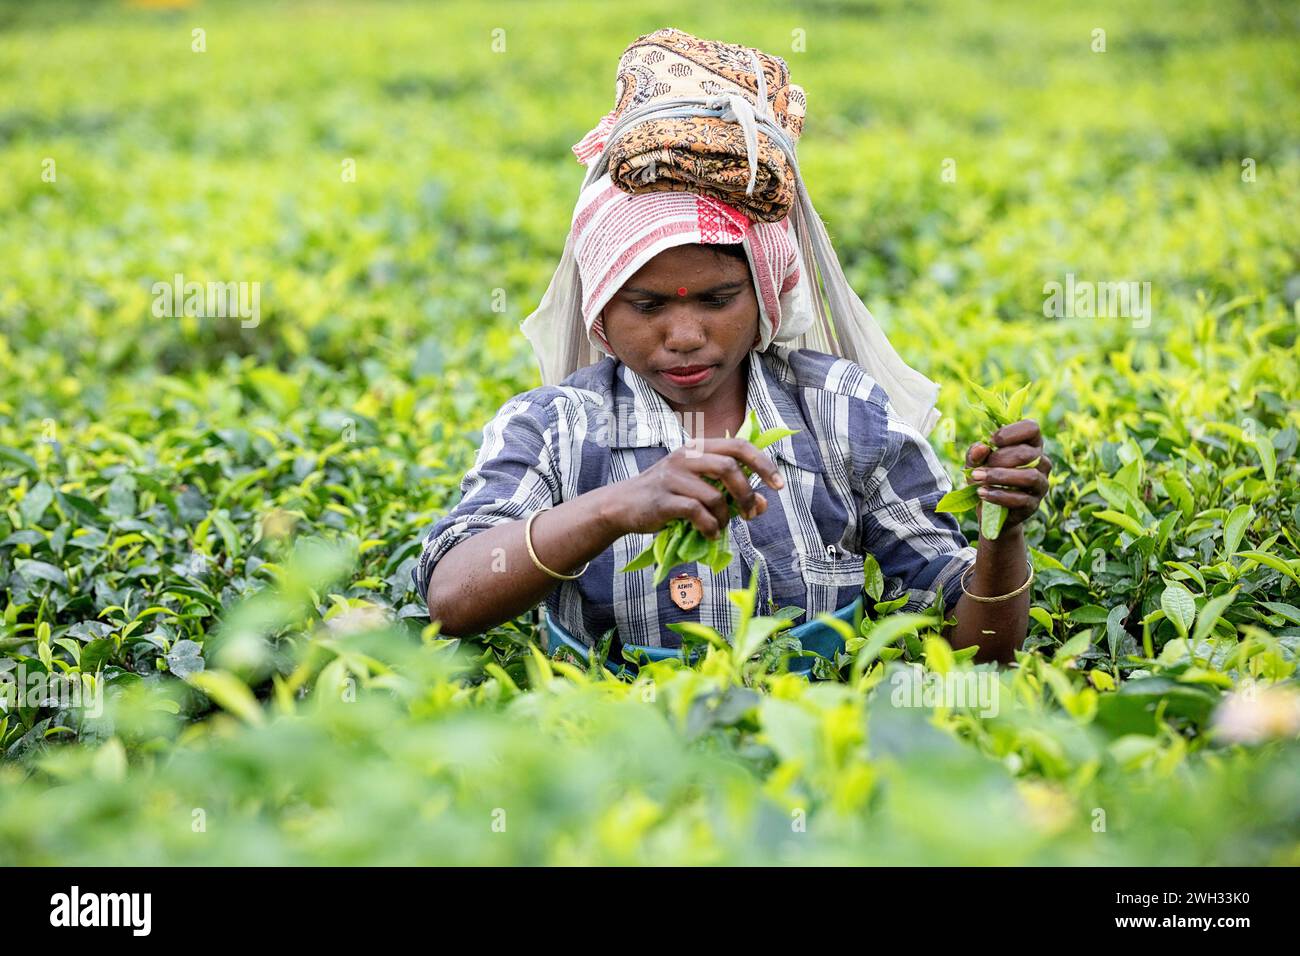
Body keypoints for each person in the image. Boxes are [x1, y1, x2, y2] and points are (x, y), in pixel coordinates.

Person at [414, 30, 1051, 666]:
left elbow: (980, 646)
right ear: (601, 308)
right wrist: (611, 510)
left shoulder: (841, 413)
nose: (686, 336)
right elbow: (452, 597)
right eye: (648, 305)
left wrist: (1002, 531)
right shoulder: (554, 428)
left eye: (718, 300)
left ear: (767, 296)